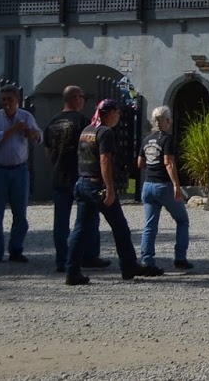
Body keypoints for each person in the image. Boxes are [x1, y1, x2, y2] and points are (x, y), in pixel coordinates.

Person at [65, 99, 143, 284]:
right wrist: (109, 187)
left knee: (80, 229)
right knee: (120, 227)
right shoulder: (105, 132)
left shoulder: (87, 130)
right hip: (97, 185)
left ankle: (71, 271)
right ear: (109, 113)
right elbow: (105, 160)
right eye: (117, 112)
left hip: (83, 182)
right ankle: (128, 265)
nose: (119, 116)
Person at [45, 85, 103, 273]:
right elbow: (89, 148)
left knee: (61, 221)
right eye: (82, 97)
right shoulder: (82, 122)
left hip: (58, 174)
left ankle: (62, 259)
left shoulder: (52, 122)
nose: (83, 100)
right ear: (76, 98)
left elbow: (48, 151)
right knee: (88, 217)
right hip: (79, 174)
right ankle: (89, 255)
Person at [0, 83, 40, 265]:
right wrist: (12, 130)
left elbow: (39, 137)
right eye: (4, 99)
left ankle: (16, 249)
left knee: (20, 213)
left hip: (19, 170)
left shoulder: (26, 116)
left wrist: (31, 133)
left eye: (10, 99)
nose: (6, 103)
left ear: (18, 101)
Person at [137, 106, 192, 272]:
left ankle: (147, 259)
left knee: (150, 225)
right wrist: (176, 185)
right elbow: (169, 162)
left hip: (148, 185)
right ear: (166, 121)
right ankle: (180, 257)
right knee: (182, 220)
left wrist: (152, 164)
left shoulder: (146, 139)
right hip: (164, 185)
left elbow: (140, 164)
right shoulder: (167, 139)